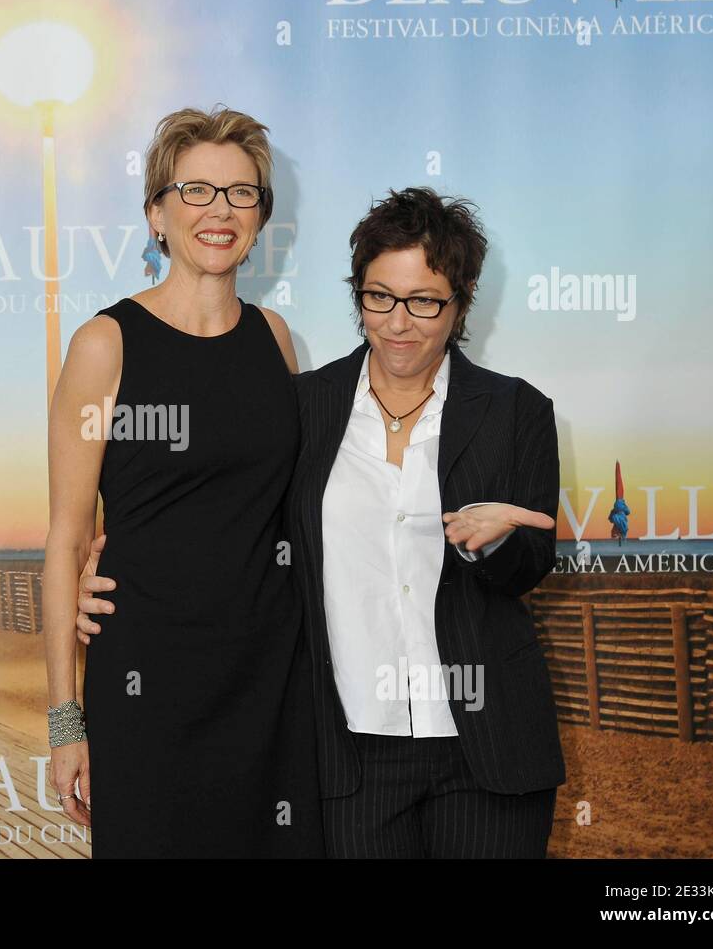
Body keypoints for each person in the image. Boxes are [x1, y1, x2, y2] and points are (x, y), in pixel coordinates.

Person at [78, 187, 565, 858]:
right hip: (349, 760)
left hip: (486, 750)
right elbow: (232, 518)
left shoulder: (516, 411)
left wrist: (502, 542)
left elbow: (530, 567)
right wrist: (113, 571)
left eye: (425, 300)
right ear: (358, 293)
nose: (399, 322)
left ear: (461, 301)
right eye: (379, 296)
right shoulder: (304, 407)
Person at [42, 106, 324, 858]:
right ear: (157, 214)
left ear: (262, 218)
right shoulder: (105, 344)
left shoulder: (275, 339)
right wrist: (66, 721)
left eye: (242, 193)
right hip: (147, 682)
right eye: (196, 190)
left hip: (270, 677)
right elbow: (67, 537)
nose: (220, 211)